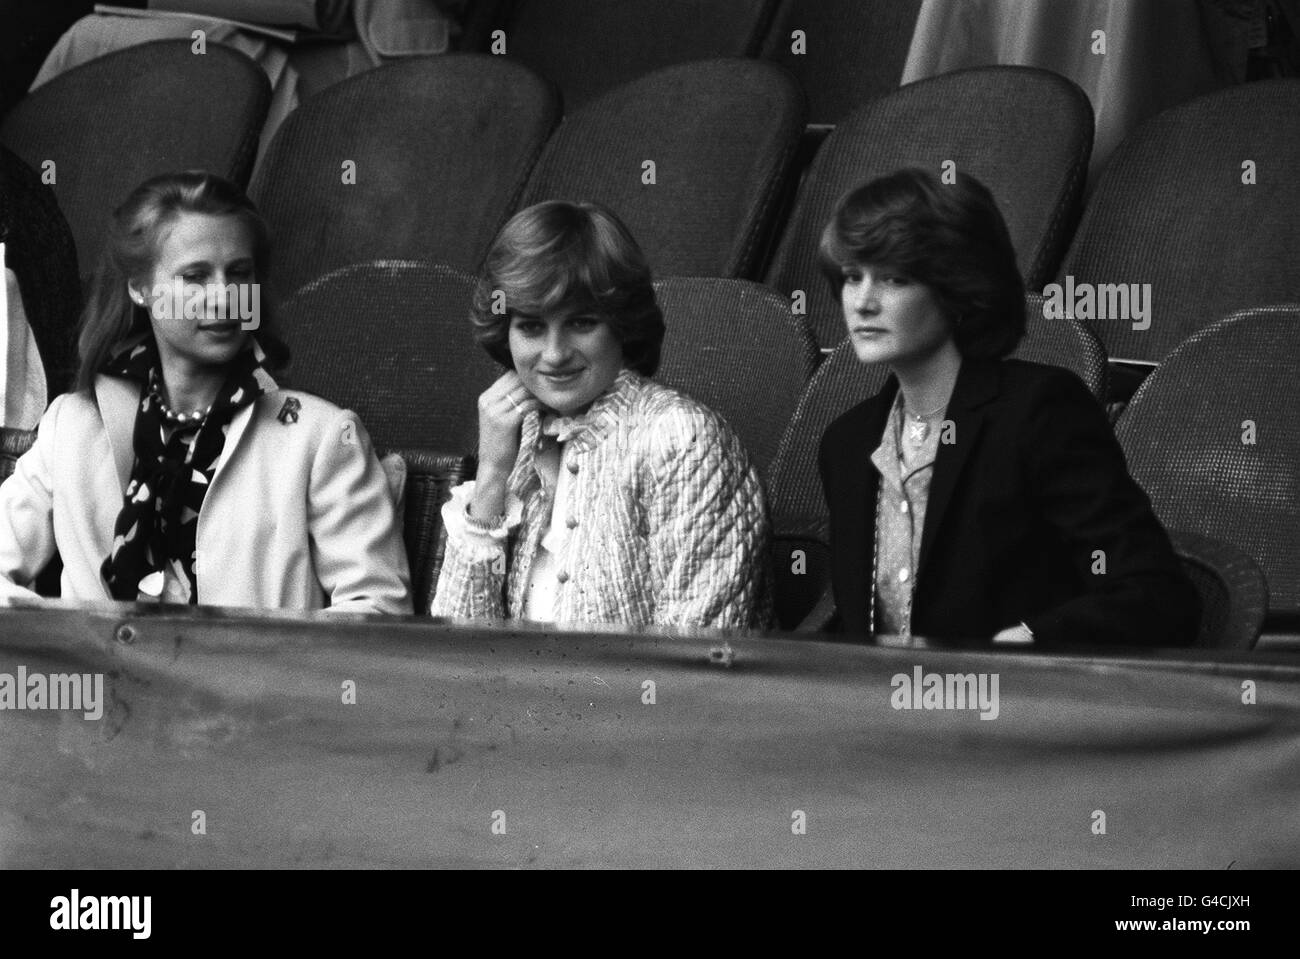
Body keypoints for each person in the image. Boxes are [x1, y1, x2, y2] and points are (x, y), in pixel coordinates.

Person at [817, 168, 1198, 648]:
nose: (863, 303)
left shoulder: (1039, 413)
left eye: (894, 278)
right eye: (852, 277)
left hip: (1019, 708)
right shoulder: (847, 443)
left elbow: (1155, 594)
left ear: (956, 288)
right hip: (887, 714)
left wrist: (1030, 638)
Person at [0, 170, 411, 613]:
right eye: (195, 277)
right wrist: (70, 640)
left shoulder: (321, 435)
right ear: (140, 288)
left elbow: (379, 610)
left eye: (239, 273)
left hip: (255, 682)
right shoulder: (72, 425)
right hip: (102, 679)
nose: (224, 298)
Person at [430, 200, 770, 628]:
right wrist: (493, 475)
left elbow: (698, 654)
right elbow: (458, 648)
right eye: (532, 327)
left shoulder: (680, 436)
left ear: (622, 325)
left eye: (582, 323)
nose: (554, 355)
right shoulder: (519, 436)